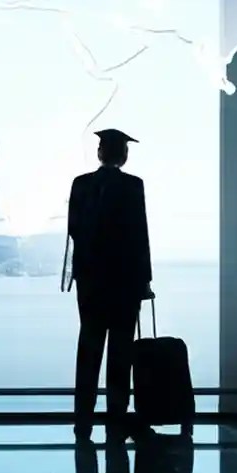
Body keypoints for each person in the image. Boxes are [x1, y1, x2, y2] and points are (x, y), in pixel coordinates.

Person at [67, 128, 153, 440]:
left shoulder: (81, 184)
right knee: (120, 352)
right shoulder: (133, 186)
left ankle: (83, 419)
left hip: (90, 281)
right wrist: (145, 281)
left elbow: (74, 231)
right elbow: (139, 236)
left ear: (100, 152)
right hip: (125, 282)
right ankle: (116, 416)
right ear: (124, 155)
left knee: (89, 348)